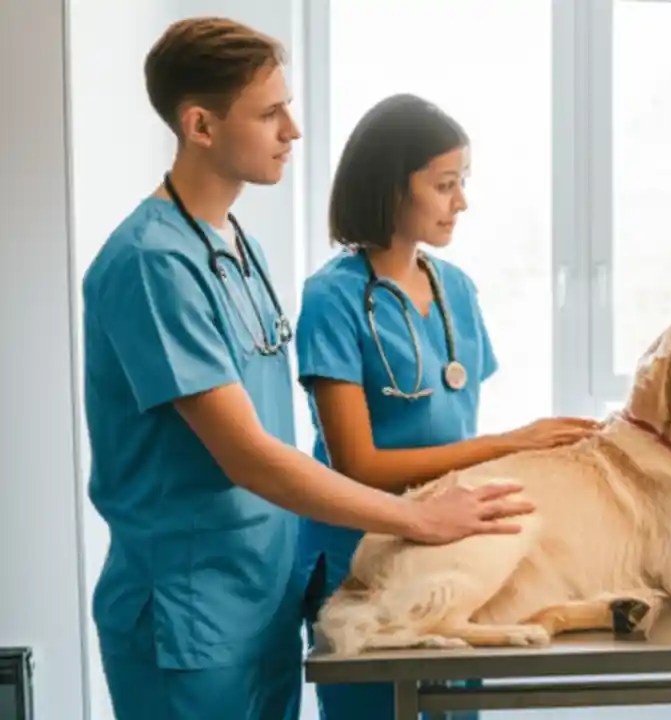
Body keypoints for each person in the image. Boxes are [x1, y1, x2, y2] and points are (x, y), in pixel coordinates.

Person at [81, 19, 534, 720]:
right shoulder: (152, 263)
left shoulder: (240, 246)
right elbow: (250, 458)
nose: (292, 130)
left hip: (265, 594)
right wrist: (419, 519)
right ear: (201, 125)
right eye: (269, 113)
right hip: (191, 605)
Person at [294, 93, 598, 719]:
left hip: (447, 546)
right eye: (444, 184)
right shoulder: (333, 299)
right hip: (364, 555)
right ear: (390, 187)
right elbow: (357, 465)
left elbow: (455, 422)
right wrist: (511, 444)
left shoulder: (455, 287)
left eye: (462, 183)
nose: (461, 201)